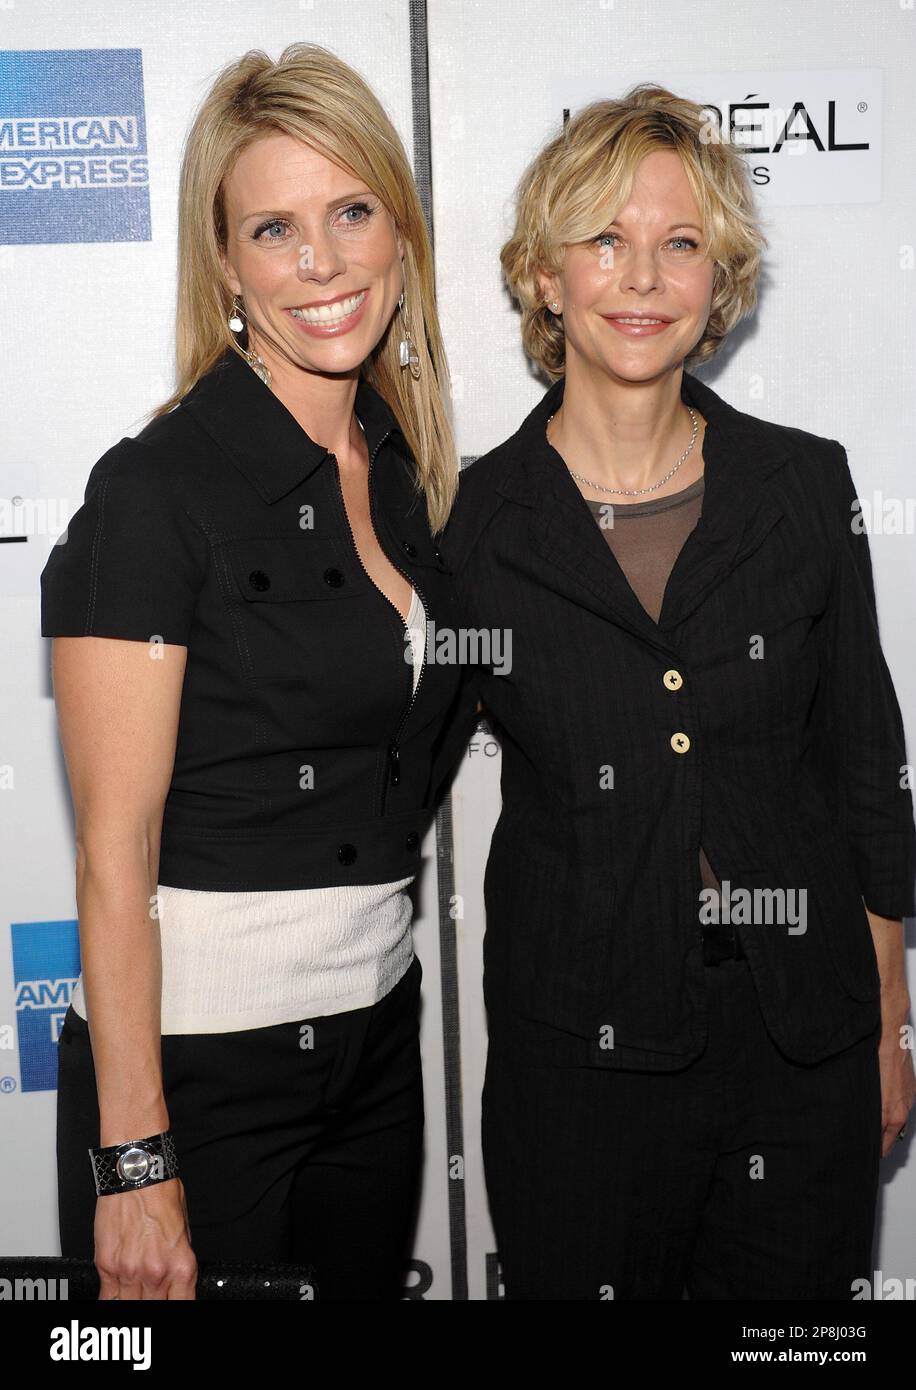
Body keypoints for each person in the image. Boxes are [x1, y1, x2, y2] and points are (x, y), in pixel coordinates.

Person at [431, 84, 916, 1299]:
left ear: (719, 279)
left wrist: (886, 1018)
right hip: (579, 1069)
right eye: (605, 239)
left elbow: (866, 766)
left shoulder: (805, 487)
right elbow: (390, 756)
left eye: (679, 242)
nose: (641, 276)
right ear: (545, 276)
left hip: (801, 1041)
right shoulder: (476, 525)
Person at [42, 43, 462, 1301]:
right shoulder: (155, 492)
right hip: (198, 1068)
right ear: (226, 265)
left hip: (379, 1039)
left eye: (351, 211)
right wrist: (133, 1158)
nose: (322, 262)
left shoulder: (403, 472)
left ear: (398, 226)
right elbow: (113, 854)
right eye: (273, 228)